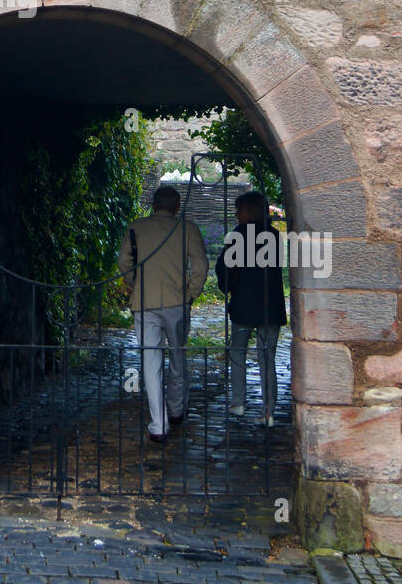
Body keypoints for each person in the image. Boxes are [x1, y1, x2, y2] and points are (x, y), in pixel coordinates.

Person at [118, 184, 209, 443]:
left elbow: (124, 260)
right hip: (177, 301)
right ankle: (177, 409)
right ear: (177, 207)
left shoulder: (137, 226)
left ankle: (159, 424)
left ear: (153, 205)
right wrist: (191, 292)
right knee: (178, 355)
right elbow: (201, 265)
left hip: (145, 301)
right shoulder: (187, 229)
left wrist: (134, 282)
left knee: (150, 362)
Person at [215, 191, 287, 427]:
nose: (236, 214)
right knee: (268, 357)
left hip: (244, 304)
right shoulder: (274, 235)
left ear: (249, 211)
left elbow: (224, 265)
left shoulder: (239, 234)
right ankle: (269, 409)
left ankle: (238, 402)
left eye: (239, 210)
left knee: (237, 353)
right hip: (270, 305)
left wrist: (226, 282)